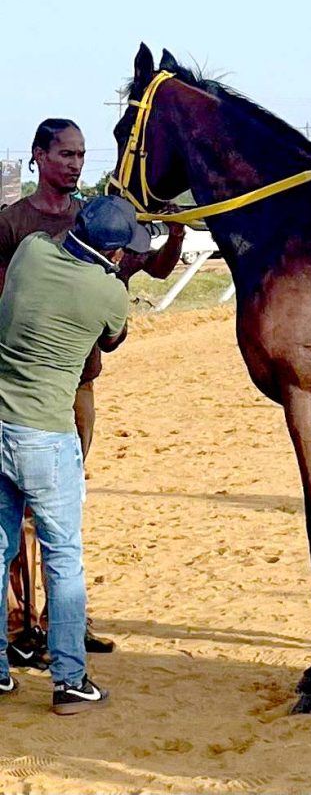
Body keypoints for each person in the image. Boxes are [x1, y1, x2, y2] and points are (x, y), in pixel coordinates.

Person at [0, 119, 183, 668]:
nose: (75, 163)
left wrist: (172, 234)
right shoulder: (15, 226)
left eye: (81, 154)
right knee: (29, 517)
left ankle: (60, 623)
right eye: (65, 154)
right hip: (31, 387)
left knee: (56, 507)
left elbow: (148, 267)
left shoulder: (93, 218)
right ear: (38, 156)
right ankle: (20, 626)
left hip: (79, 385)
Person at [0, 196, 151, 712]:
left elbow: (48, 242)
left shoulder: (31, 251)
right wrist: (115, 275)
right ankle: (68, 680)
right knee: (63, 556)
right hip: (46, 431)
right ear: (111, 251)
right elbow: (112, 338)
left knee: (0, 551)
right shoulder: (108, 292)